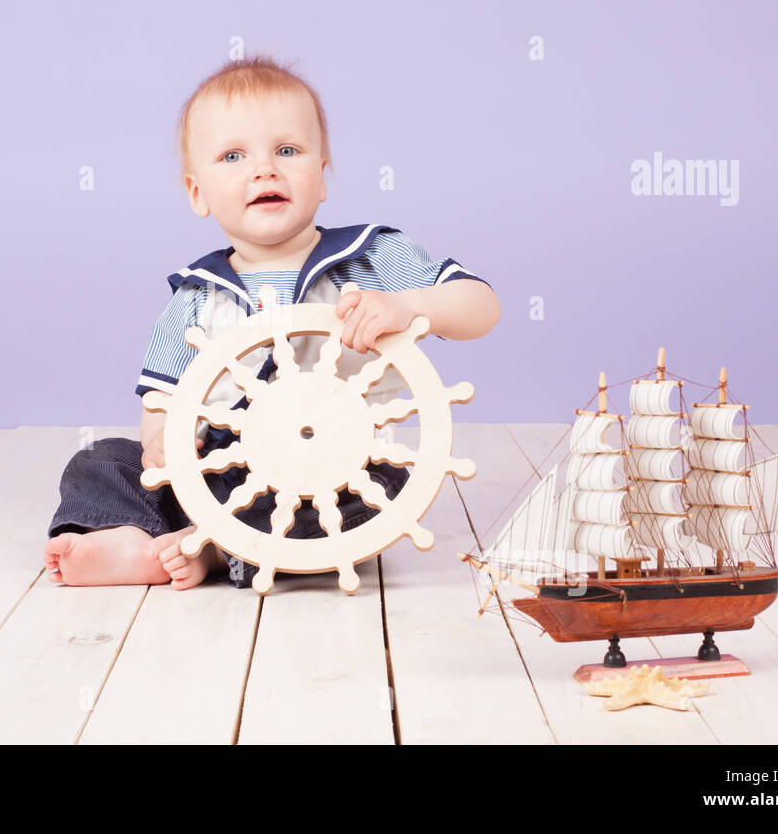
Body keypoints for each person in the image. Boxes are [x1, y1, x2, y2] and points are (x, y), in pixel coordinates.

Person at [43, 54, 501, 591]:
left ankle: (211, 549)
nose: (265, 169)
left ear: (322, 177)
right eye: (233, 155)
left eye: (287, 150)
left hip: (335, 473)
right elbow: (160, 400)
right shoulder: (195, 295)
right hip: (222, 469)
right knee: (101, 459)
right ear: (197, 192)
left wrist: (410, 307)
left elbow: (481, 306)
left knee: (369, 499)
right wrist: (161, 443)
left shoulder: (371, 258)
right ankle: (131, 534)